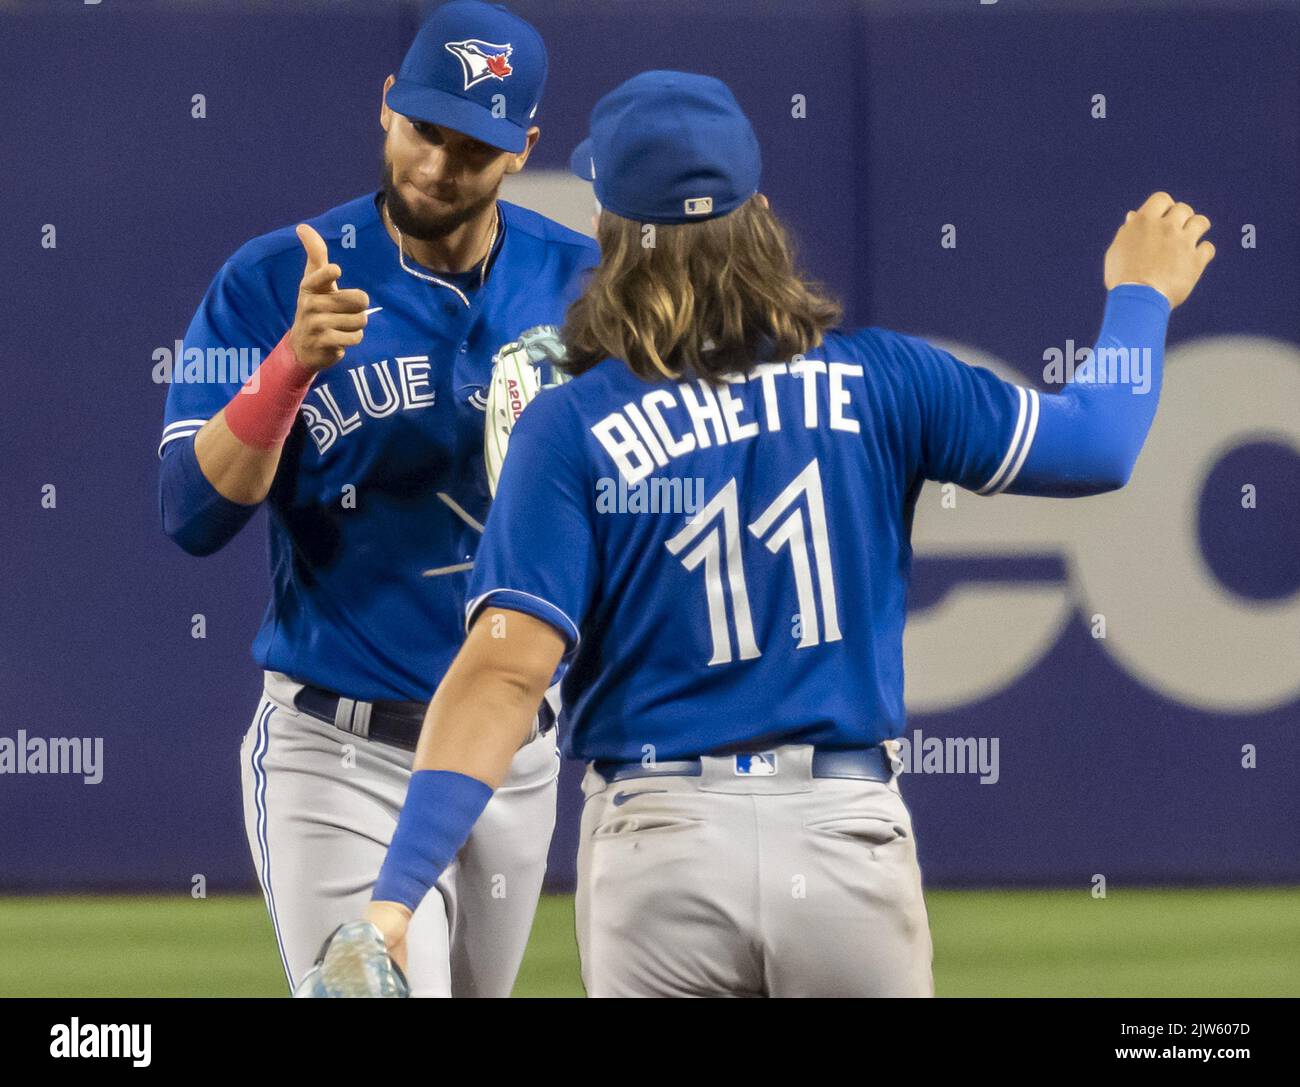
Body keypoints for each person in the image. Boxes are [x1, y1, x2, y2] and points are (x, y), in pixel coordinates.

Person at [329, 69, 1213, 997]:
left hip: (660, 845)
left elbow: (506, 675)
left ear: (616, 234)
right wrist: (1140, 295)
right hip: (842, 839)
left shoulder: (572, 425)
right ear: (759, 216)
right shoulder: (886, 381)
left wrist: (394, 902)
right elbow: (1101, 444)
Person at [157, 1, 597, 997]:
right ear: (387, 105)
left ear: (523, 148)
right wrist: (287, 370)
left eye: (473, 148)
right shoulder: (273, 281)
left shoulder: (584, 287)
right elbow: (190, 512)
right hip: (339, 755)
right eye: (424, 131)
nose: (438, 166)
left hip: (513, 754)